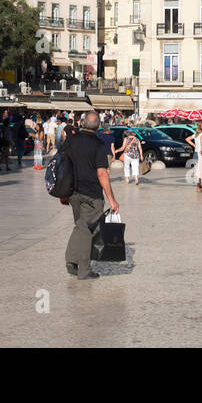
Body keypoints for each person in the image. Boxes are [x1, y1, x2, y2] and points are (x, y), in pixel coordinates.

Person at [63, 111, 119, 281]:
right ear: (99, 126)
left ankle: (71, 260)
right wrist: (112, 200)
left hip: (73, 192)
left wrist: (63, 192)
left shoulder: (71, 141)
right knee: (87, 230)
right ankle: (84, 270)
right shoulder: (99, 144)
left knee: (80, 225)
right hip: (92, 194)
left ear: (82, 123)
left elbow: (63, 166)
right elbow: (102, 173)